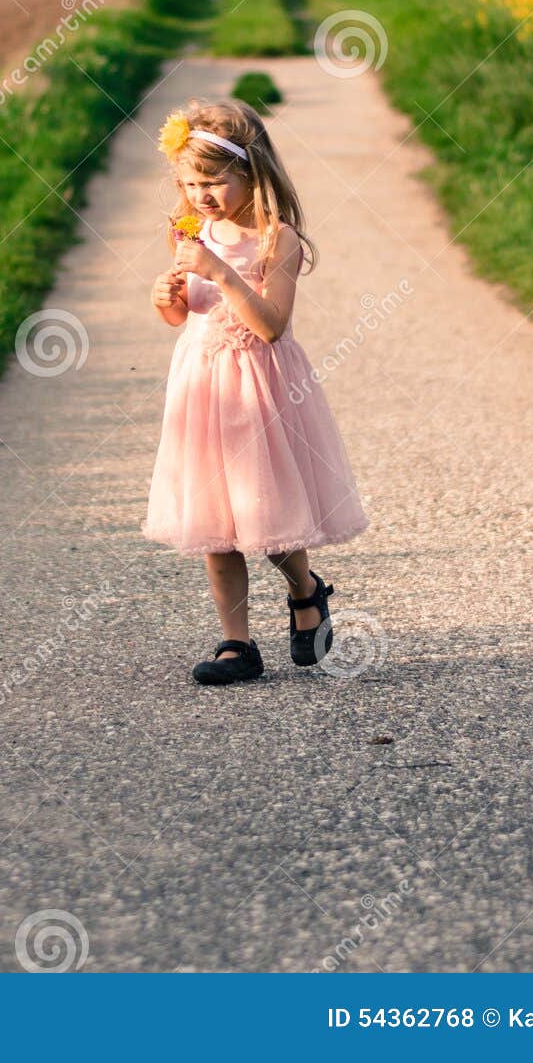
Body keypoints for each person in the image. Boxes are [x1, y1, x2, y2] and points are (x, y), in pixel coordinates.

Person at [142, 98, 369, 685]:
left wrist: (220, 272)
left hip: (260, 390)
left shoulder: (276, 240)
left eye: (214, 181)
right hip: (203, 390)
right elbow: (184, 315)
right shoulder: (190, 232)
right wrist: (168, 298)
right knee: (215, 525)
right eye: (190, 184)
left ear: (252, 172)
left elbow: (271, 326)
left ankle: (305, 590)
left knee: (267, 514)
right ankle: (236, 644)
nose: (201, 195)